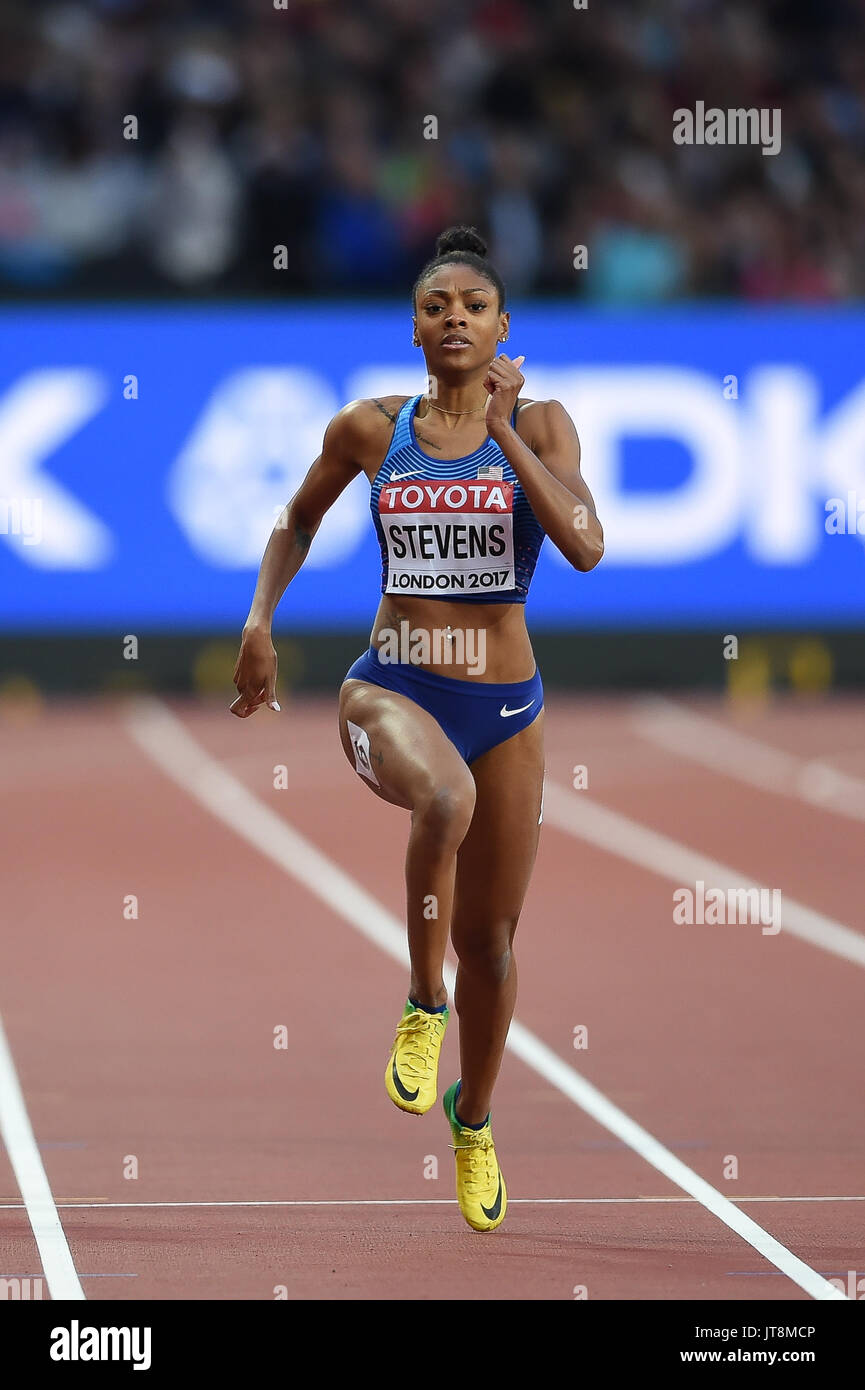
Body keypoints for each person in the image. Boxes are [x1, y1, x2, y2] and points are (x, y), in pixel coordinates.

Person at [231, 225, 604, 1232]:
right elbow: (296, 518)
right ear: (413, 327)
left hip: (508, 707)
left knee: (492, 941)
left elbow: (584, 546)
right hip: (391, 687)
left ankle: (473, 1117)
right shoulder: (370, 429)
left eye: (472, 307)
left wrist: (508, 425)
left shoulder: (550, 423)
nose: (454, 319)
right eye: (437, 306)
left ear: (502, 329)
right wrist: (260, 620)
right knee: (443, 796)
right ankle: (419, 1002)